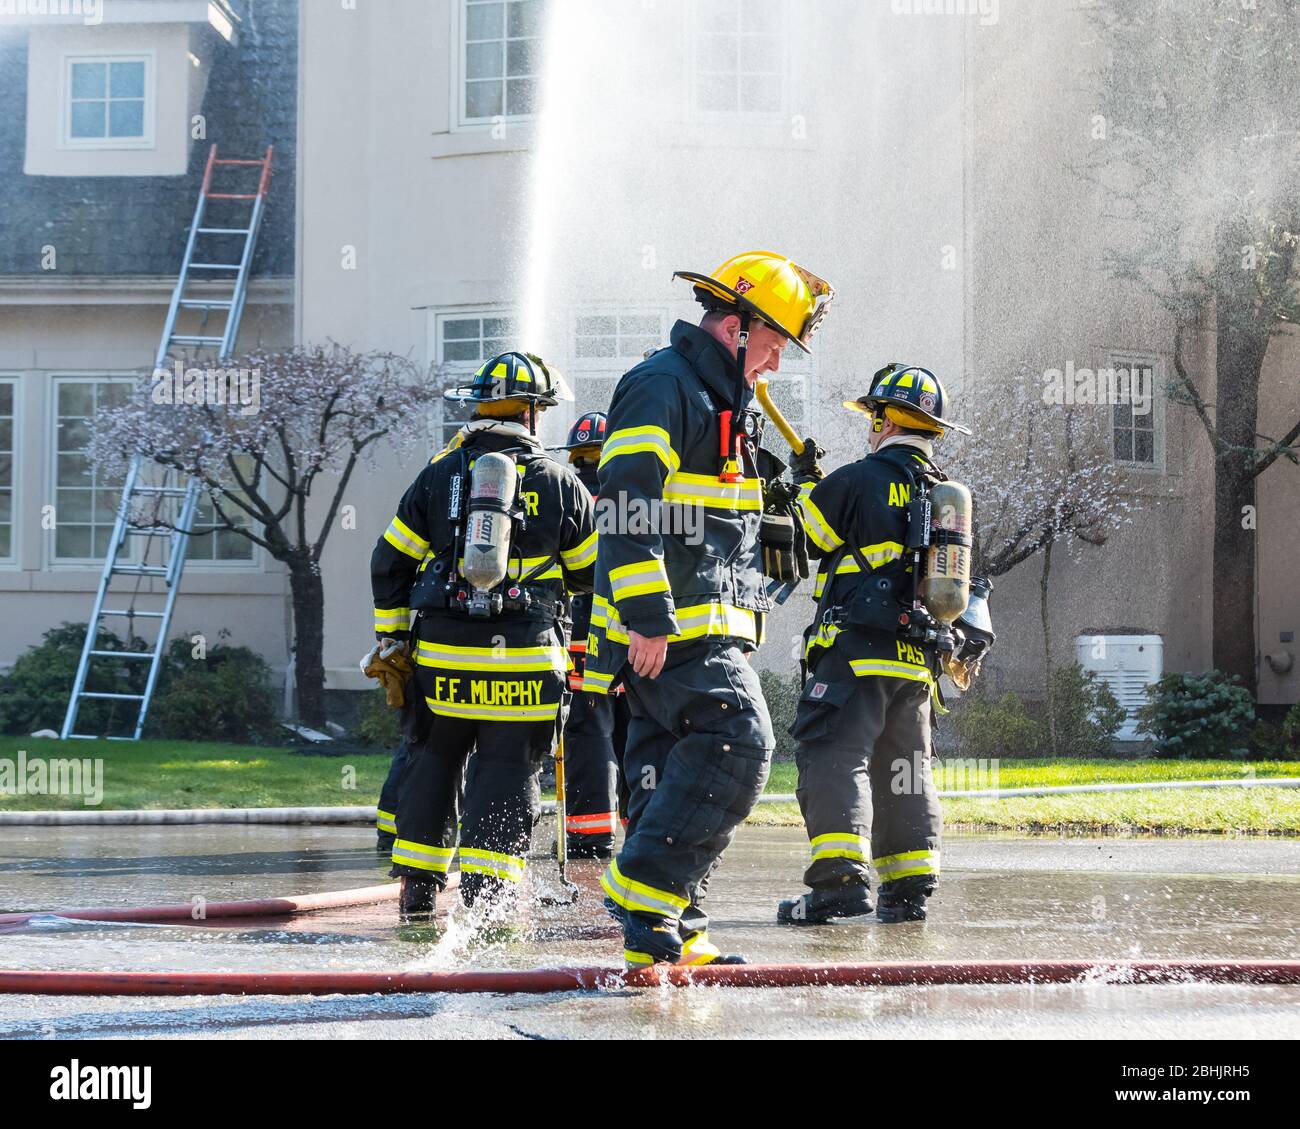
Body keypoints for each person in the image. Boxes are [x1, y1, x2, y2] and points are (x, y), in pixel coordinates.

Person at [583, 250, 834, 968]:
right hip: (674, 627)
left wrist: (781, 512)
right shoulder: (663, 386)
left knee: (668, 769)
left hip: (704, 622)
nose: (776, 365)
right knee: (741, 741)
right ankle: (644, 885)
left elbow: (714, 514)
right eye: (772, 344)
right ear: (733, 327)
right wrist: (647, 614)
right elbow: (627, 497)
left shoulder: (721, 400)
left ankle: (666, 931)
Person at [368, 351, 597, 921]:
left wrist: (393, 640)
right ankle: (487, 902)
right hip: (522, 665)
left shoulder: (438, 475)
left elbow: (388, 562)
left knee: (433, 760)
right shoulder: (562, 482)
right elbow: (592, 577)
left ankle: (418, 889)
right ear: (533, 414)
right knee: (508, 769)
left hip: (442, 664)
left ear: (478, 408)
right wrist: (584, 654)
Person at [777, 363, 971, 927]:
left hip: (854, 653)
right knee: (906, 766)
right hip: (916, 660)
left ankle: (838, 883)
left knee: (834, 755)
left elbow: (809, 537)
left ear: (885, 421)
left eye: (872, 418)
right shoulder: (943, 497)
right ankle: (908, 887)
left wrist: (803, 482)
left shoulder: (861, 477)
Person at [554, 411, 630, 859]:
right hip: (632, 638)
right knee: (634, 732)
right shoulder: (633, 496)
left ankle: (589, 834)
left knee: (588, 731)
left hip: (580, 639)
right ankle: (638, 827)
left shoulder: (565, 494)